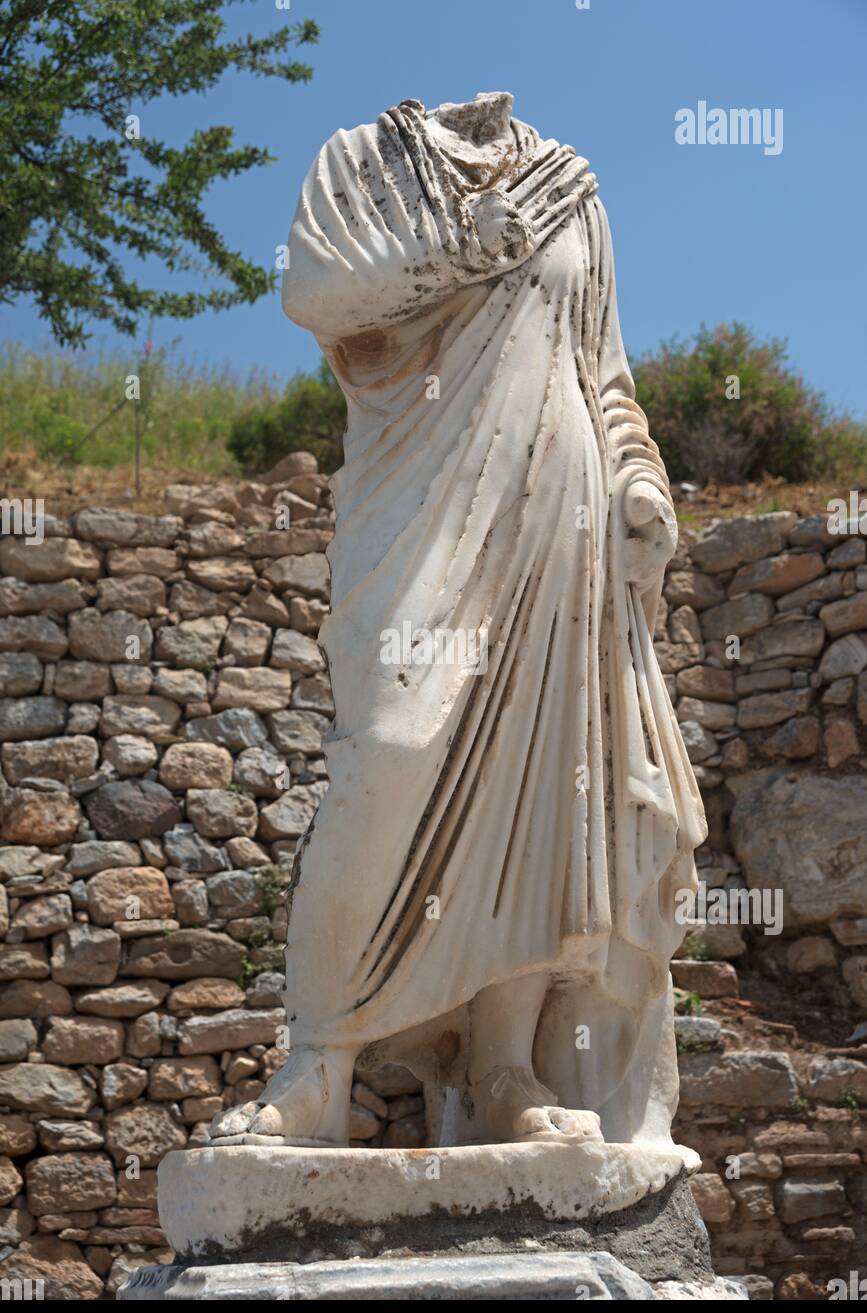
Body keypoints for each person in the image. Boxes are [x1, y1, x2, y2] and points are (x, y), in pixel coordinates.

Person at [211, 92, 705, 1151]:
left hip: (561, 519)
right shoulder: (363, 161)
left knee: (539, 789)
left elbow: (603, 371)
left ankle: (504, 1068)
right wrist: (452, 252)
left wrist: (634, 476)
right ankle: (318, 1064)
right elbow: (316, 293)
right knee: (389, 754)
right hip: (420, 506)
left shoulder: (574, 190)